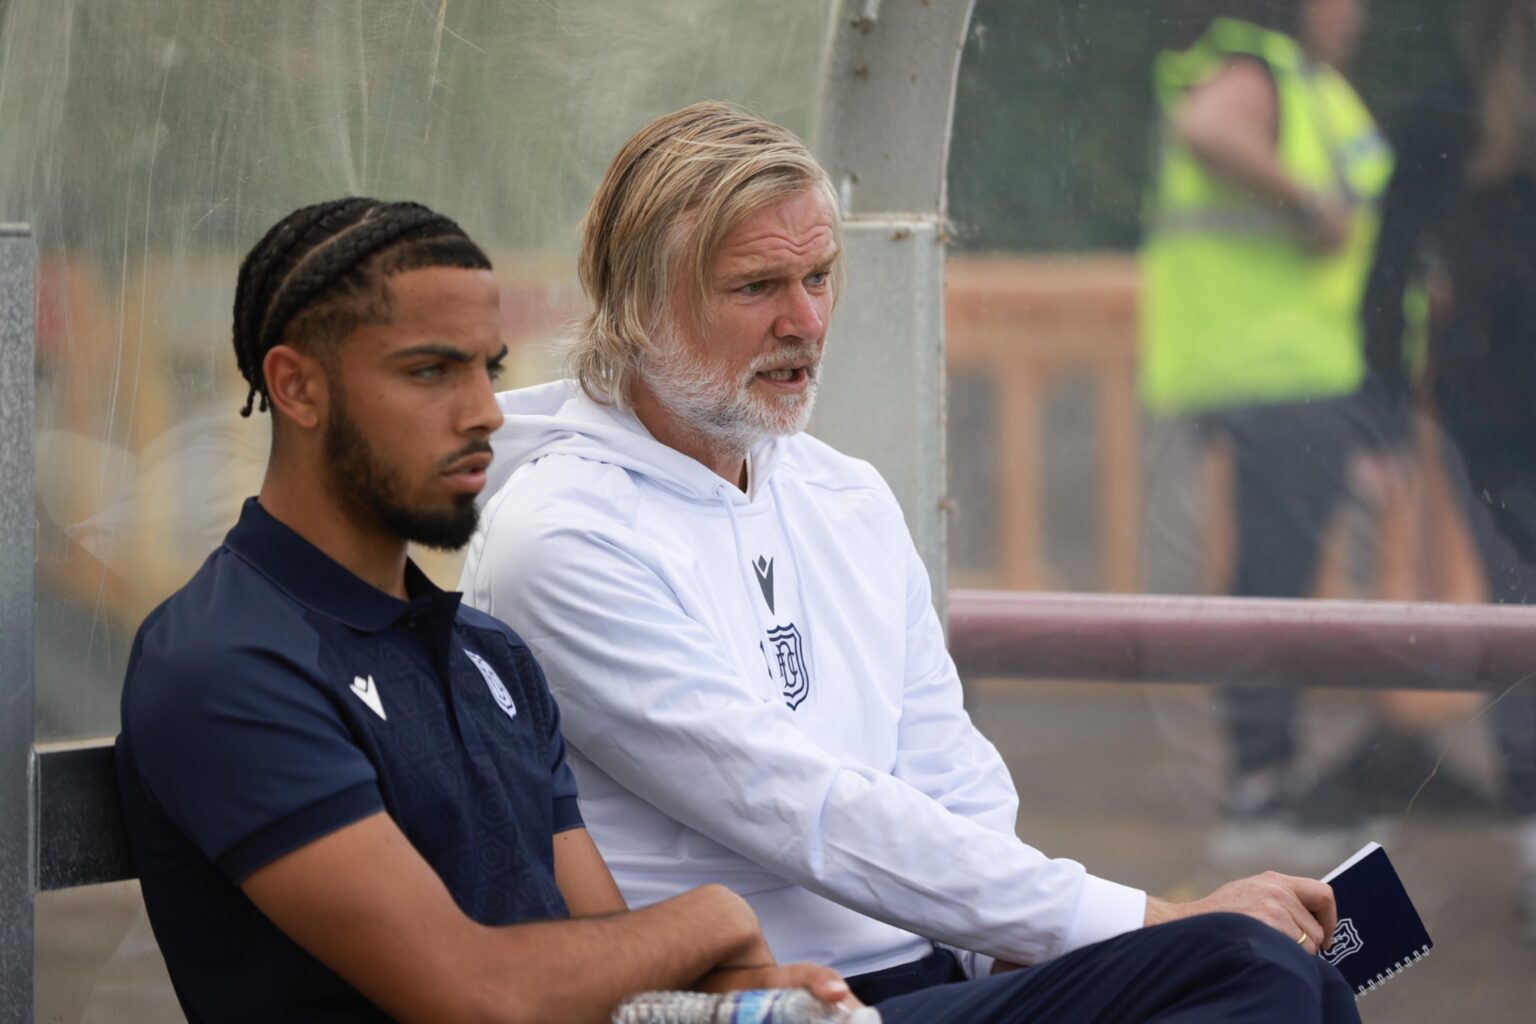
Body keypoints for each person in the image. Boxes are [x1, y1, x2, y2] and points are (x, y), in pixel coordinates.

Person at [461, 101, 1358, 1021]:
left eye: (818, 276)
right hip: (771, 1003)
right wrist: (1150, 921)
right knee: (1253, 972)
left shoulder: (843, 491)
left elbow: (949, 774)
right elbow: (802, 807)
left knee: (1298, 972)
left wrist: (1011, 954)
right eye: (756, 286)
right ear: (638, 306)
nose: (805, 320)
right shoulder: (561, 535)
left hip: (933, 981)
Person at [115, 197, 858, 1023]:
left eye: (488, 369)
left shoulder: (489, 655)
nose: (484, 413)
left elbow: (619, 982)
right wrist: (716, 919)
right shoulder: (227, 664)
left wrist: (750, 992)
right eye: (431, 371)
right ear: (296, 386)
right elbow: (476, 994)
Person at [1138, 0, 1394, 842]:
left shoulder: (1310, 85)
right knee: (1272, 580)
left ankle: (1270, 777)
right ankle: (1260, 788)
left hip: (1300, 373)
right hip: (1267, 375)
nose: (1354, 12)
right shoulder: (1257, 70)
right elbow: (1209, 127)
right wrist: (1311, 204)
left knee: (1277, 573)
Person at [1359, 0, 1536, 940]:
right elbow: (1390, 278)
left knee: (1517, 620)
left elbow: (1385, 279)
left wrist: (1384, 406)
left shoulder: (1445, 107)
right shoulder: (1452, 111)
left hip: (1491, 415)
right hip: (1496, 417)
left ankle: (1534, 837)